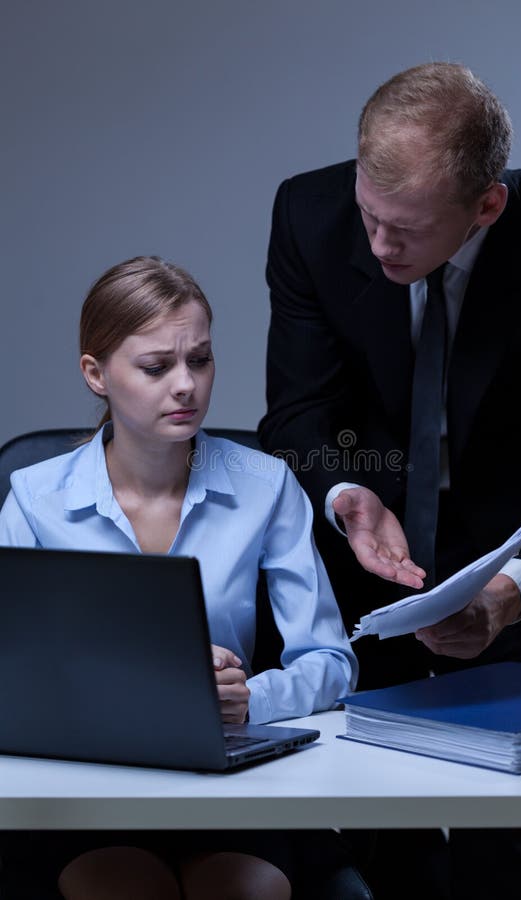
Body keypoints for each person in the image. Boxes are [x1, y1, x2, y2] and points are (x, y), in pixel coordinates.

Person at [258, 62, 521, 899]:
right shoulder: (310, 213)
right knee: (372, 839)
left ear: (487, 205)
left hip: (519, 551)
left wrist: (507, 591)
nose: (379, 248)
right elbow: (298, 414)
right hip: (363, 560)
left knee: (499, 852)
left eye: (406, 231)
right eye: (371, 217)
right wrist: (347, 498)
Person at [0, 255, 359, 900]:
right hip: (89, 782)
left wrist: (252, 698)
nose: (186, 385)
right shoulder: (33, 497)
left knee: (241, 890)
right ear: (96, 374)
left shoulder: (265, 485)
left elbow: (332, 661)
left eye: (200, 359)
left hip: (231, 780)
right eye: (156, 367)